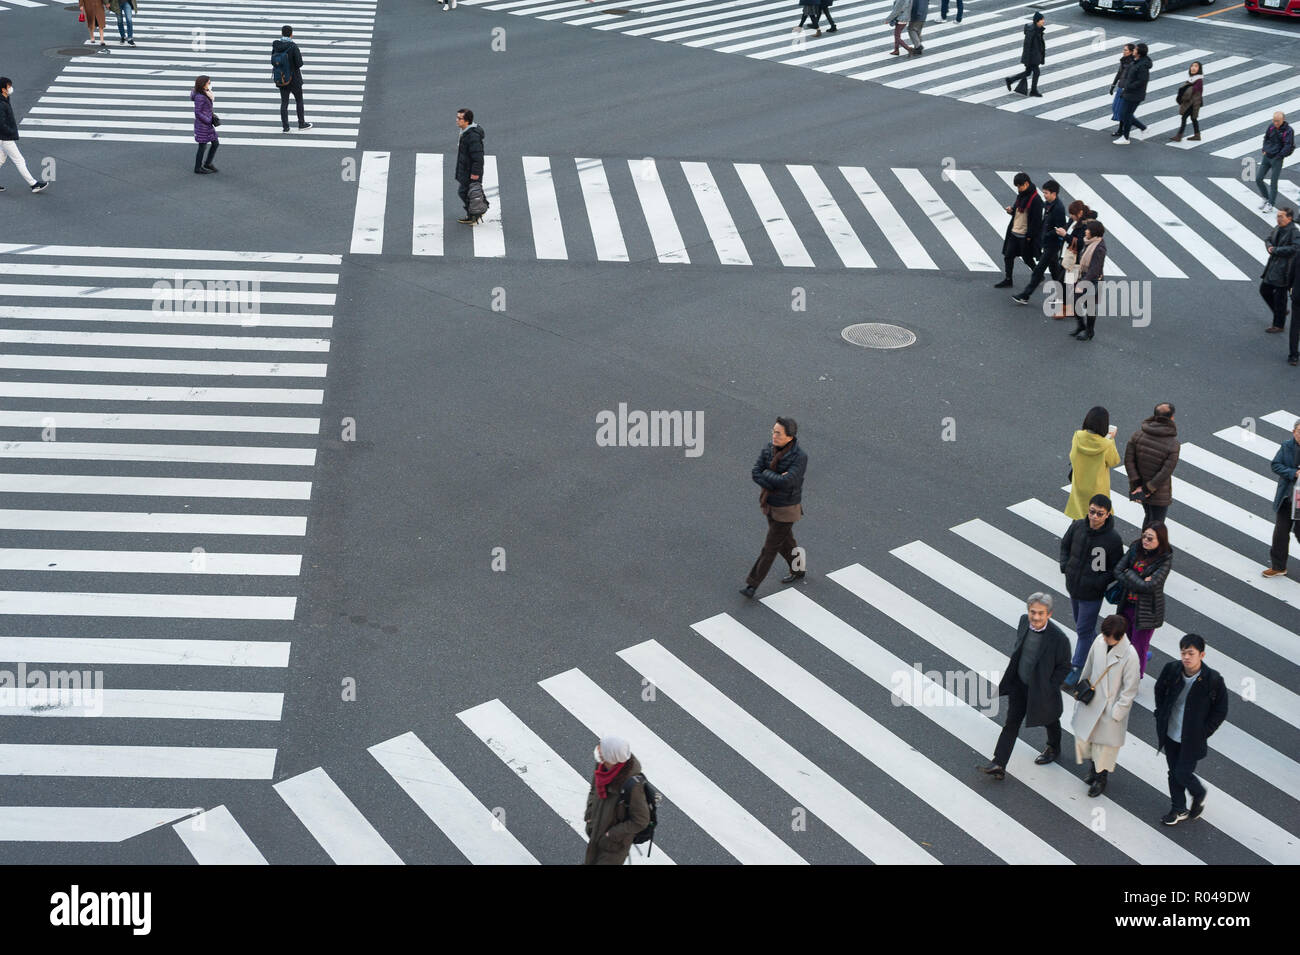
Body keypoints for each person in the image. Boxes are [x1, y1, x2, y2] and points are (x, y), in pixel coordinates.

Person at [979, 593, 1071, 779]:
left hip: (1042, 690)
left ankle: (1053, 747)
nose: (1036, 617)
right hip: (1019, 685)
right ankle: (999, 762)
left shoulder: (1059, 638)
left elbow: (1064, 667)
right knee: (1011, 723)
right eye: (1033, 612)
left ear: (1049, 614)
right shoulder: (1023, 622)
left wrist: (1049, 686)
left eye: (1041, 613)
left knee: (1049, 719)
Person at [1153, 634, 1227, 826]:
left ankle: (1199, 793)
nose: (1186, 657)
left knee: (1182, 773)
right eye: (1183, 652)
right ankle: (1178, 808)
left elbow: (1220, 710)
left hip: (1192, 738)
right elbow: (1159, 690)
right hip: (1170, 732)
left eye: (1190, 653)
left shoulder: (1213, 680)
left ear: (1201, 655)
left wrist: (1204, 731)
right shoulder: (1171, 669)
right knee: (1173, 772)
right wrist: (1161, 712)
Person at [1071, 614, 1140, 797]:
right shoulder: (1100, 642)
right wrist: (1081, 688)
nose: (1106, 639)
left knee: (1105, 749)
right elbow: (1089, 665)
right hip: (1092, 701)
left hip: (1109, 709)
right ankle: (1093, 771)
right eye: (1105, 635)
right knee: (1090, 741)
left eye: (1109, 637)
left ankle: (1101, 779)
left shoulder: (1130, 656)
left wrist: (1117, 712)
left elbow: (1130, 689)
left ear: (1119, 637)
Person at [1060, 493, 1124, 687]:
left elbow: (1116, 568)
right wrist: (1065, 566)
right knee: (1084, 629)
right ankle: (1118, 649)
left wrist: (1099, 583)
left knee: (1083, 629)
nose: (1094, 517)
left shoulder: (1113, 539)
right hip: (1074, 587)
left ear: (1107, 515)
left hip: (1092, 594)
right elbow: (1065, 546)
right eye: (1092, 512)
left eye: (1099, 514)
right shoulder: (1077, 527)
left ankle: (1077, 667)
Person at [740, 417, 807, 599]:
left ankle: (752, 585)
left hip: (786, 510)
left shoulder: (799, 457)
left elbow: (787, 481)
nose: (774, 435)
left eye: (778, 433)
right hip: (769, 504)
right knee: (786, 543)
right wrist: (773, 479)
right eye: (773, 431)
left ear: (790, 437)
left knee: (769, 548)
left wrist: (767, 474)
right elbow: (756, 471)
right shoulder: (768, 448)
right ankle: (798, 568)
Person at [1114, 521, 1172, 678]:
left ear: (1160, 541)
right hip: (1127, 604)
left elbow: (1150, 586)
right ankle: (1123, 672)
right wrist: (1140, 579)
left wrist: (1129, 574)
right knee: (1123, 643)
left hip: (1147, 610)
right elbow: (1118, 570)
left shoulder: (1164, 559)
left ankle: (1133, 679)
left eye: (1150, 538)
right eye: (1144, 536)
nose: (1145, 540)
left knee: (1138, 648)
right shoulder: (1135, 548)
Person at [583, 736, 650, 865]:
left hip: (614, 846)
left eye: (602, 750)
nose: (598, 751)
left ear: (611, 755)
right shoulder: (601, 768)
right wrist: (590, 814)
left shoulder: (632, 785)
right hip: (596, 831)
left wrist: (612, 834)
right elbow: (593, 790)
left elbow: (641, 820)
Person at [1123, 403, 1179, 526]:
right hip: (1158, 492)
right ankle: (1146, 544)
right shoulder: (1173, 444)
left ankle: (1143, 543)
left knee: (1149, 517)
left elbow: (1128, 461)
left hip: (1140, 488)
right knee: (1156, 525)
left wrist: (1138, 485)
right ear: (1172, 418)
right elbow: (1165, 472)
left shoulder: (1137, 435)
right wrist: (1147, 489)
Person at [1013, 178, 1066, 306]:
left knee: (1038, 270)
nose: (1044, 195)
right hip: (1047, 243)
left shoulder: (1058, 208)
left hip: (1053, 245)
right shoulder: (1048, 204)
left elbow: (1061, 227)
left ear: (1054, 193)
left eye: (1046, 193)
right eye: (1044, 192)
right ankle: (1064, 296)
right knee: (1056, 272)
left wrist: (1047, 234)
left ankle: (1025, 295)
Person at [1065, 407, 1120, 520]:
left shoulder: (1078, 436)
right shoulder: (1106, 444)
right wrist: (1111, 439)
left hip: (1079, 485)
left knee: (1079, 518)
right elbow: (1114, 461)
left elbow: (1072, 456)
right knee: (1096, 520)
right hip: (1097, 488)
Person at [1263, 419, 1300, 578]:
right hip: (1287, 498)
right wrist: (1294, 473)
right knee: (1280, 533)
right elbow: (1275, 465)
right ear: (1294, 432)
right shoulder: (1287, 446)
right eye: (1299, 431)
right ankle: (1278, 566)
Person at [0, 78, 50, 195]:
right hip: (5, 138)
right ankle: (33, 184)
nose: (11, 88)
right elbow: (1, 124)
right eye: (8, 86)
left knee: (1, 159)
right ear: (3, 89)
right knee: (20, 160)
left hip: (3, 137)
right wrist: (11, 132)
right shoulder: (1, 103)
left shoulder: (5, 99)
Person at [994, 172, 1041, 289]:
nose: (1018, 189)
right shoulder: (1021, 195)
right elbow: (1018, 210)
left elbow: (1036, 221)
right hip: (1014, 232)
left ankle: (1038, 274)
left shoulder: (1036, 199)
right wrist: (1012, 210)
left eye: (1020, 186)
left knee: (1027, 258)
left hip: (1025, 234)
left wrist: (1029, 236)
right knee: (1008, 256)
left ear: (1026, 184)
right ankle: (1008, 279)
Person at [1054, 200, 1094, 321]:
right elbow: (1068, 229)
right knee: (1067, 283)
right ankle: (1069, 309)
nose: (1070, 216)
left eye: (1072, 214)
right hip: (1067, 256)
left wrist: (1065, 235)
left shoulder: (1085, 226)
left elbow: (1080, 243)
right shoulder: (1073, 221)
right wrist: (1062, 231)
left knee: (1064, 283)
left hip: (1075, 260)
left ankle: (1065, 309)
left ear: (1080, 213)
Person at [1261, 206, 1296, 334]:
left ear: (1290, 218)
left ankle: (1278, 324)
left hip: (1286, 269)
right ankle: (1280, 311)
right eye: (1278, 216)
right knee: (1264, 290)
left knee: (1280, 297)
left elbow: (1295, 248)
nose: (1278, 218)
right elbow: (1268, 239)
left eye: (1281, 216)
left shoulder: (1293, 232)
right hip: (1274, 265)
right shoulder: (1278, 228)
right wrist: (1270, 247)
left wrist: (1276, 250)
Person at [272, 26, 313, 134]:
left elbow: (273, 61)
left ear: (282, 33)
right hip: (294, 79)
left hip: (282, 78)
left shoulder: (276, 46)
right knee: (299, 100)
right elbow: (300, 63)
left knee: (284, 103)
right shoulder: (293, 46)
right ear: (291, 34)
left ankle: (286, 127)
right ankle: (301, 123)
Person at [1072, 219, 1106, 341]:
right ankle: (1082, 326)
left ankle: (1089, 331)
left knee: (1089, 306)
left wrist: (1083, 283)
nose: (1086, 231)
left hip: (1093, 280)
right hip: (1084, 277)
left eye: (1088, 230)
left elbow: (1095, 269)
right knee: (1076, 302)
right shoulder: (1090, 242)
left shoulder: (1099, 248)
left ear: (1094, 232)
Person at [1256, 112, 1294, 213]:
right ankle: (1265, 198)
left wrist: (1280, 156)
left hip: (1276, 159)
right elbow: (1266, 138)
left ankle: (1270, 203)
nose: (1275, 123)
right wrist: (1264, 149)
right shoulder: (1271, 126)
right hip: (1267, 156)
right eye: (1274, 120)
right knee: (1258, 178)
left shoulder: (1288, 131)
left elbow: (1288, 145)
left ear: (1283, 120)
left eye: (1277, 121)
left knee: (1273, 182)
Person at [1115, 42, 1152, 145]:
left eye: (1135, 49)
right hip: (1129, 92)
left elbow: (1142, 81)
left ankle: (1126, 137)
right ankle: (1142, 129)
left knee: (1125, 114)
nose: (1134, 51)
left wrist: (1128, 87)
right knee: (1125, 114)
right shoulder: (1136, 62)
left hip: (1135, 94)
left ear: (1139, 53)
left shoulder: (1142, 65)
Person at [454, 108, 486, 225]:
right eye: (457, 117)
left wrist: (475, 174)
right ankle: (476, 211)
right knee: (471, 191)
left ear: (467, 121)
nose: (456, 120)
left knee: (465, 192)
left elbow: (478, 158)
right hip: (466, 168)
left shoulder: (472, 137)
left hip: (470, 171)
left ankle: (474, 214)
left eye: (459, 118)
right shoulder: (465, 132)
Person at [1004, 13, 1045, 97]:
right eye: (1042, 19)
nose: (1043, 21)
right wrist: (1027, 60)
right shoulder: (1032, 31)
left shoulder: (1038, 29)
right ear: (1037, 21)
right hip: (1032, 57)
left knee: (1028, 72)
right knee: (1036, 72)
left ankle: (1010, 80)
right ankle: (1033, 90)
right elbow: (1027, 46)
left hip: (1035, 56)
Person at [191, 75, 219, 174]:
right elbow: (198, 112)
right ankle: (198, 168)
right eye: (208, 83)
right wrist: (208, 120)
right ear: (203, 84)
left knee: (215, 143)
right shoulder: (200, 97)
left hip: (207, 124)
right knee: (202, 146)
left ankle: (207, 163)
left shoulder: (205, 93)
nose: (210, 84)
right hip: (203, 125)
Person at [1170, 61, 1202, 143]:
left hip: (1193, 103)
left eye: (1196, 66)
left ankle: (1179, 136)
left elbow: (1191, 92)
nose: (1193, 68)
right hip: (1192, 102)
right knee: (1193, 118)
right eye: (1192, 66)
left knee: (1184, 118)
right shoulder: (1192, 78)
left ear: (1199, 69)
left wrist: (1183, 98)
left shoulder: (1198, 80)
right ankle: (1197, 135)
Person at [1108, 45, 1136, 136]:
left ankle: (1122, 129)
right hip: (1121, 87)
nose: (1123, 51)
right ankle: (1123, 128)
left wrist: (1127, 88)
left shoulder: (1133, 63)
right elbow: (1119, 73)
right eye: (1124, 50)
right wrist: (1113, 85)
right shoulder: (1124, 60)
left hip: (1126, 89)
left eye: (1125, 50)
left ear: (1131, 52)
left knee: (1122, 110)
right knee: (1116, 107)